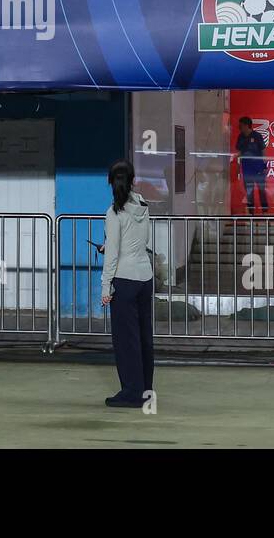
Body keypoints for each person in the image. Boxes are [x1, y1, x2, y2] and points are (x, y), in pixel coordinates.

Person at [101, 159, 154, 408]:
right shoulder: (142, 205)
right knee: (144, 338)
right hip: (145, 276)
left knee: (126, 340)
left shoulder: (114, 213)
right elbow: (136, 242)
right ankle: (145, 390)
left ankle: (131, 392)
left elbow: (112, 254)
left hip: (124, 279)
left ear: (111, 183)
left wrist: (105, 287)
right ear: (133, 181)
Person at [236, 117, 268, 214]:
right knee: (249, 192)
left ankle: (265, 212)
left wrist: (265, 165)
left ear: (246, 125)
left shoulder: (257, 136)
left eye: (240, 125)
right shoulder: (240, 137)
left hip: (259, 168)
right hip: (247, 169)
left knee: (262, 190)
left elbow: (263, 151)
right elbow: (239, 153)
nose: (239, 127)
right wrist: (238, 169)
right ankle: (251, 214)